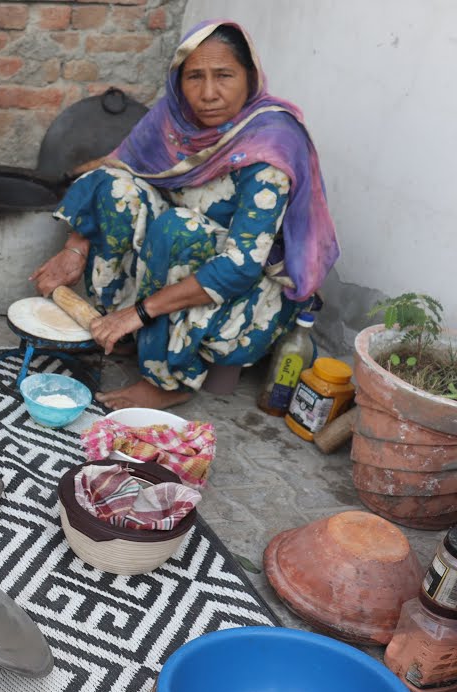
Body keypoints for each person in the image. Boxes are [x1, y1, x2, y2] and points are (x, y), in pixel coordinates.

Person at [31, 20, 338, 410]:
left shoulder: (269, 144)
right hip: (174, 258)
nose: (208, 93)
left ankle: (168, 378)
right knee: (113, 187)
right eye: (195, 77)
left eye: (224, 75)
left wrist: (140, 311)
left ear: (250, 76)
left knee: (177, 229)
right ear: (179, 81)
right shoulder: (174, 120)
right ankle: (122, 334)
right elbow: (117, 169)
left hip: (242, 297)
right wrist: (74, 248)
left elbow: (242, 266)